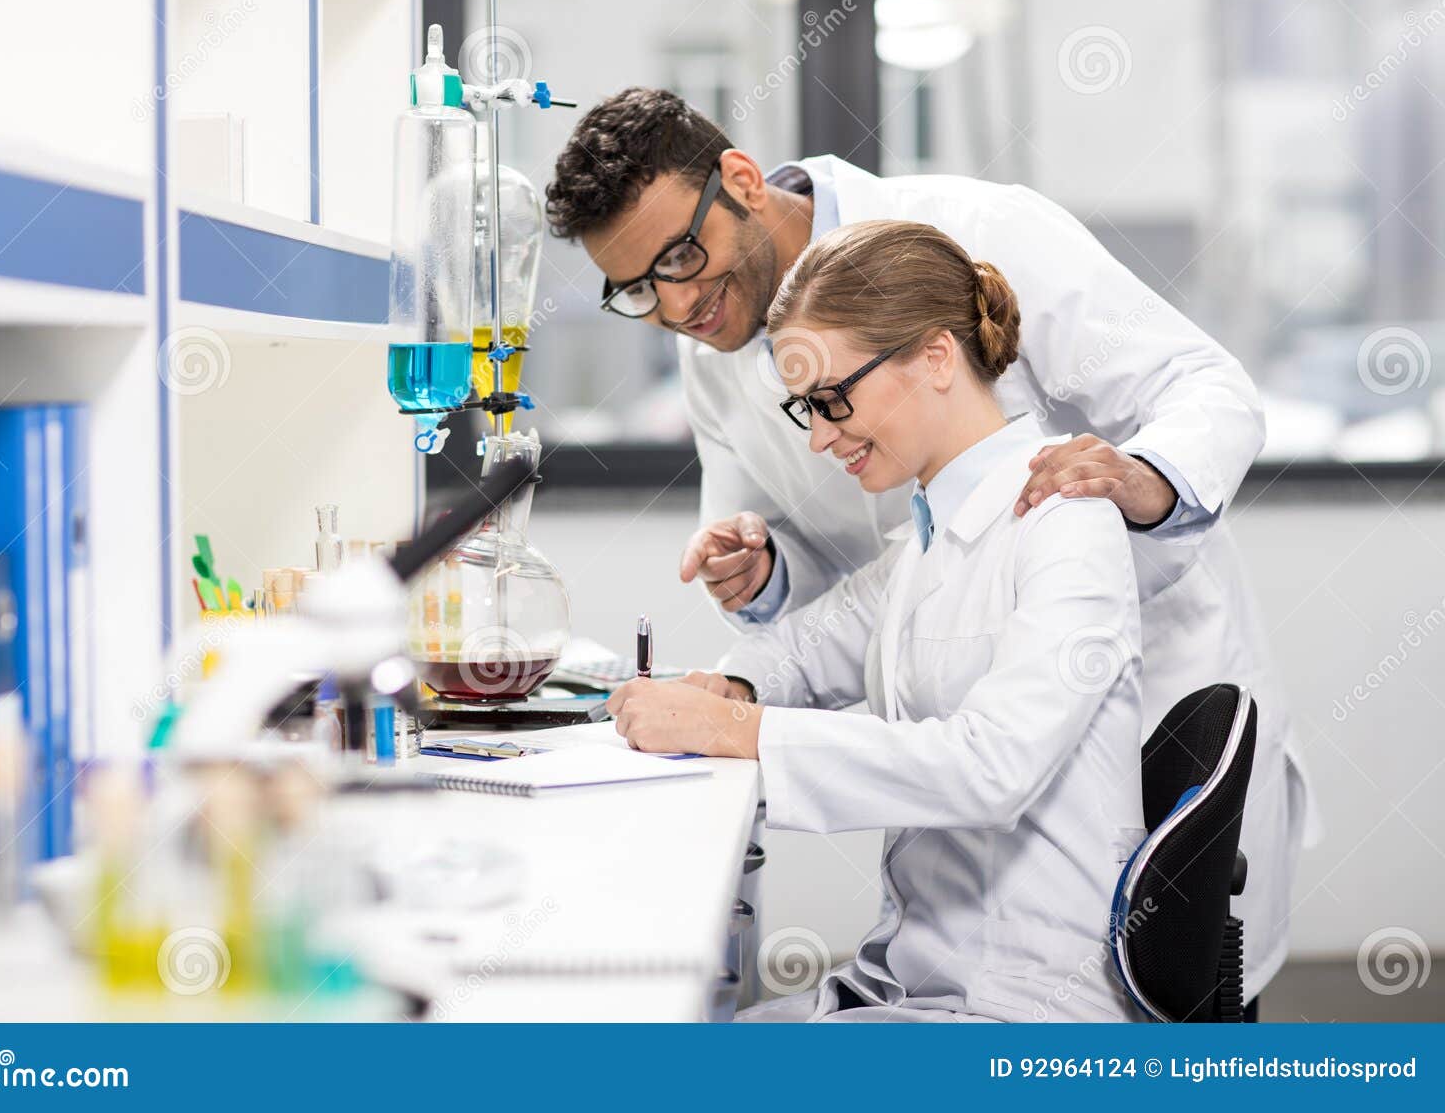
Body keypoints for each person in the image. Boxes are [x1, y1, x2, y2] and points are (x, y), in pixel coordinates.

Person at [545, 89, 1308, 1008]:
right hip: (943, 906)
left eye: (680, 257)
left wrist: (1140, 482)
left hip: (1115, 745)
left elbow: (1207, 387)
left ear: (740, 181)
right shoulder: (743, 375)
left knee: (1179, 993)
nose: (674, 305)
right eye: (637, 289)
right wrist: (756, 592)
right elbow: (836, 590)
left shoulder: (981, 236)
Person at [605, 222, 1144, 1022]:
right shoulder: (929, 534)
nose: (821, 437)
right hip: (918, 976)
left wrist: (734, 727)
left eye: (833, 400)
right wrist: (730, 685)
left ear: (934, 357)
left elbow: (989, 766)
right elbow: (809, 645)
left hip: (1021, 1008)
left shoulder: (1064, 523)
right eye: (806, 411)